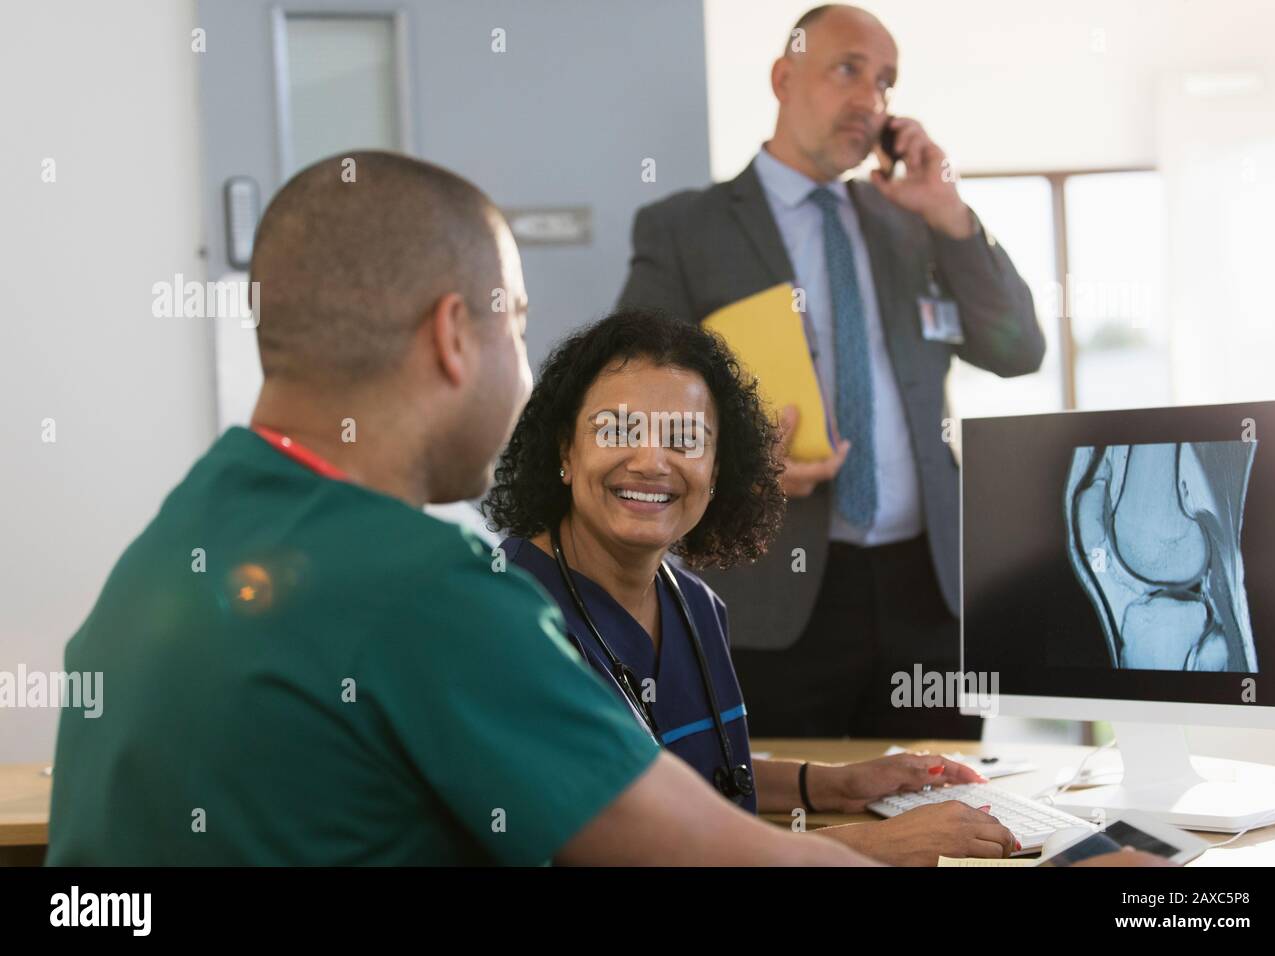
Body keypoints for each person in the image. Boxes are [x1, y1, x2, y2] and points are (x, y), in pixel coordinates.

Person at [45, 151, 870, 866]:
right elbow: (700, 855)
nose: (522, 373)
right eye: (515, 328)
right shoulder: (427, 587)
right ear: (452, 336)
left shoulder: (180, 531)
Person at [617, 4, 1046, 739]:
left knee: (938, 808)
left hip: (930, 591)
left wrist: (951, 215)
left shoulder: (912, 222)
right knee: (783, 825)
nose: (870, 100)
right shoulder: (686, 228)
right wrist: (732, 464)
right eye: (848, 69)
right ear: (784, 77)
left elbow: (1017, 351)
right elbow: (629, 400)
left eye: (885, 82)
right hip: (768, 594)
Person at [484, 310, 1023, 864]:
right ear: (565, 453)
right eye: (615, 429)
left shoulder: (695, 606)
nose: (650, 460)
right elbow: (614, 845)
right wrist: (873, 845)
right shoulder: (509, 617)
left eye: (686, 437)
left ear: (717, 471)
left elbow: (693, 773)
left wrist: (834, 785)